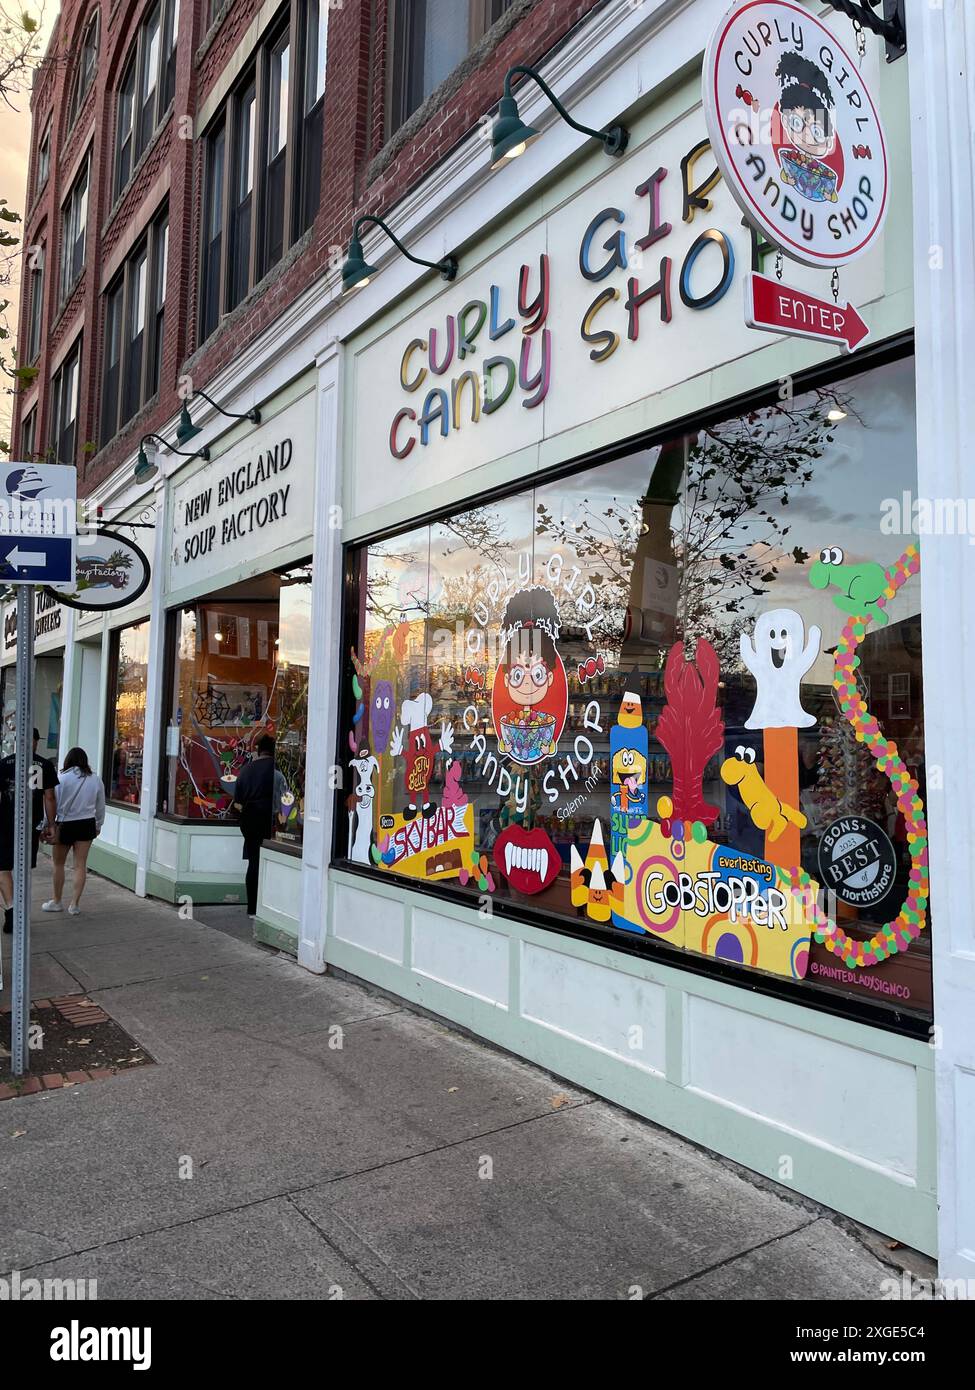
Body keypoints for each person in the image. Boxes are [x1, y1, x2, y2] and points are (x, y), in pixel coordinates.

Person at [0, 728, 59, 933]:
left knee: (2, 867)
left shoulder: (5, 763)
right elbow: (49, 797)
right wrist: (52, 824)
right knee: (23, 868)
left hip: (5, 823)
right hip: (30, 824)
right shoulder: (44, 765)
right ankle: (19, 911)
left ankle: (11, 907)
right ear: (34, 742)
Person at [42, 746, 105, 917]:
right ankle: (74, 904)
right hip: (87, 824)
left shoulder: (61, 779)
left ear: (67, 760)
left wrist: (48, 824)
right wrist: (98, 824)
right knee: (80, 865)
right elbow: (100, 806)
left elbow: (51, 802)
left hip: (65, 825)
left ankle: (56, 901)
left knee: (58, 863)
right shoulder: (95, 780)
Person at [233, 734, 288, 917]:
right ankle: (271, 907)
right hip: (269, 822)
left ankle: (252, 908)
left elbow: (237, 804)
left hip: (249, 821)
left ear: (259, 751)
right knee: (273, 862)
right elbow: (285, 803)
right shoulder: (277, 774)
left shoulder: (245, 771)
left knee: (254, 863)